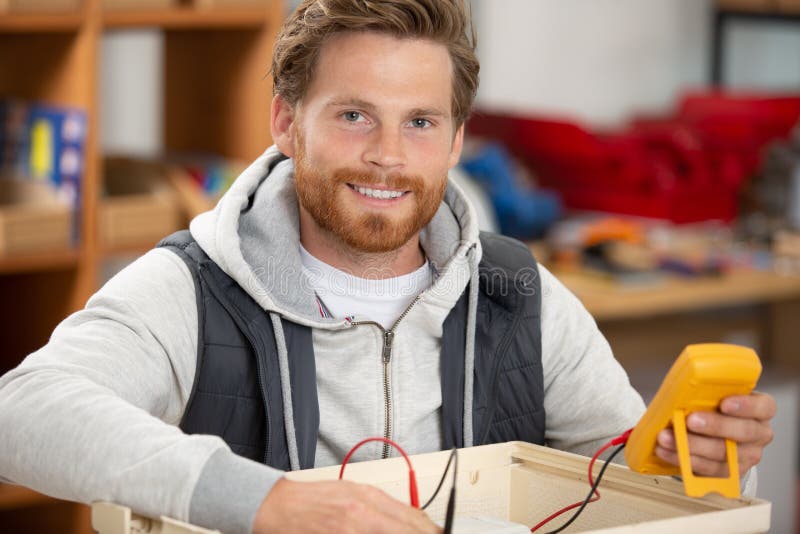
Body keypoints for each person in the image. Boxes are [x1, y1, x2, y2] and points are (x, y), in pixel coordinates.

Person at [0, 1, 776, 533]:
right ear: (285, 122)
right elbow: (22, 412)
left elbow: (619, 481)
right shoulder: (194, 285)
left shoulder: (518, 293)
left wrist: (690, 463)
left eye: (420, 122)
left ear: (456, 139)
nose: (388, 156)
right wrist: (267, 502)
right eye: (353, 115)